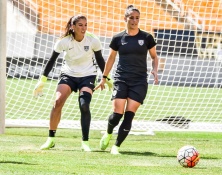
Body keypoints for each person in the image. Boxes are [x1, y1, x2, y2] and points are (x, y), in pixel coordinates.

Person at [34, 14, 112, 151]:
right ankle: (50, 139)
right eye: (80, 25)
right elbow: (51, 60)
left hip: (88, 75)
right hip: (68, 75)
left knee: (84, 105)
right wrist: (42, 80)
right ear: (73, 26)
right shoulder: (63, 41)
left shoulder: (93, 40)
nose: (84, 28)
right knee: (57, 102)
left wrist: (107, 78)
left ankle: (85, 142)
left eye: (85, 25)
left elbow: (100, 60)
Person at [94, 5, 159, 155]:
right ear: (125, 19)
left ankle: (116, 146)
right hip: (121, 79)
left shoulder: (147, 37)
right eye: (131, 18)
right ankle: (109, 132)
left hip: (139, 81)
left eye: (137, 18)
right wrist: (104, 77)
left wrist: (155, 70)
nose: (134, 21)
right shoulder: (118, 38)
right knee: (117, 114)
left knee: (129, 114)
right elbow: (111, 58)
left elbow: (154, 57)